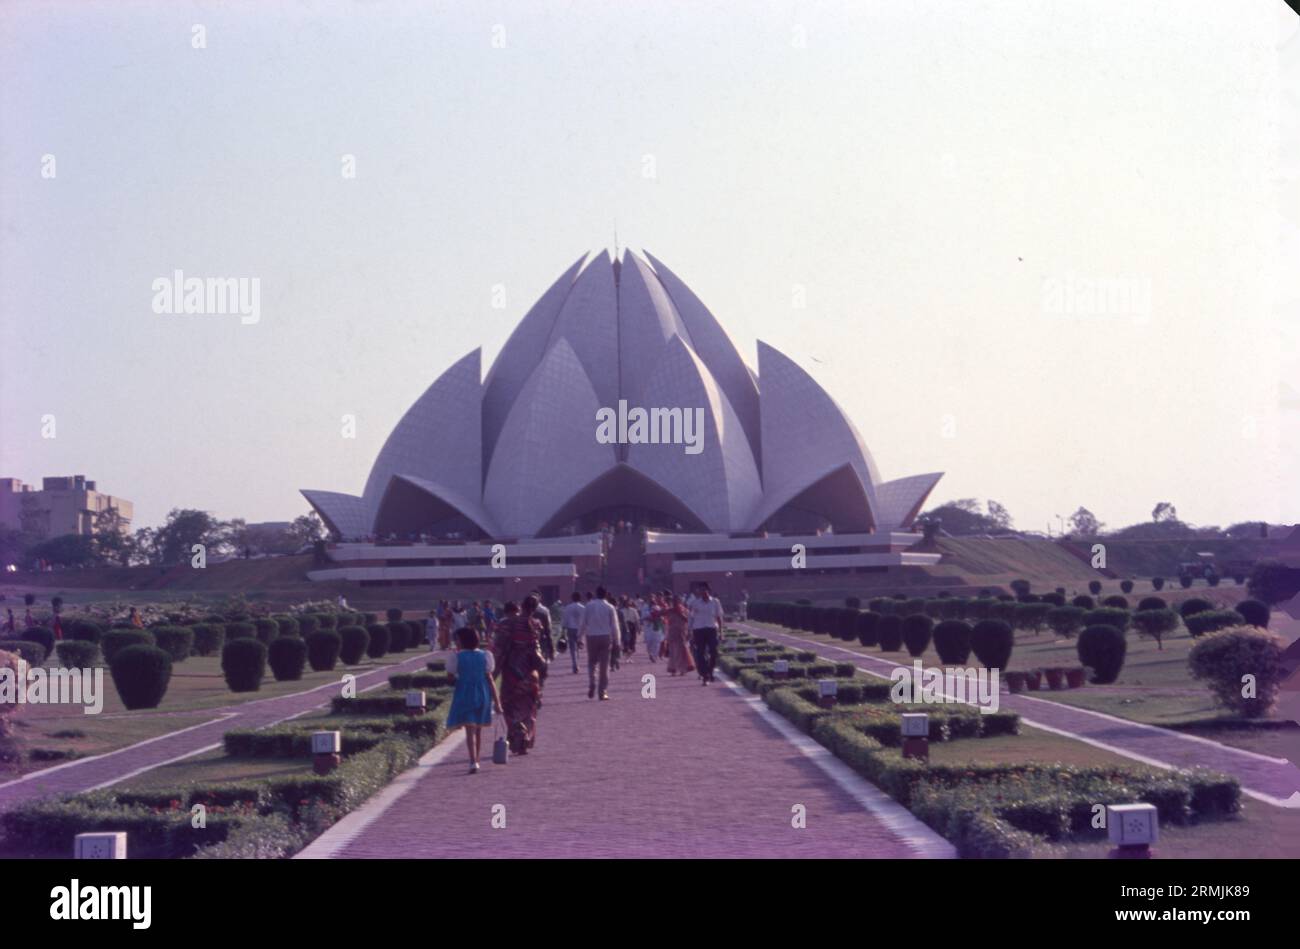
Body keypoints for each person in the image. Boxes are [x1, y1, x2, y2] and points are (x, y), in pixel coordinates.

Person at [492, 598, 548, 755]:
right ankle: (525, 737)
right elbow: (539, 652)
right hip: (532, 674)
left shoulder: (507, 624)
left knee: (509, 706)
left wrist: (493, 673)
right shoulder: (535, 624)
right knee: (529, 707)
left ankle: (517, 736)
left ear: (521, 607)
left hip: (512, 673)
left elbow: (499, 650)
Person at [445, 627, 503, 774]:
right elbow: (490, 680)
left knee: (469, 729)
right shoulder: (485, 655)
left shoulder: (457, 657)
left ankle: (473, 761)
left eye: (457, 639)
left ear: (462, 640)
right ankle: (475, 759)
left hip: (464, 694)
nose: (455, 642)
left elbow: (450, 677)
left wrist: (457, 676)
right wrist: (497, 702)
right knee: (477, 730)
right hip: (482, 694)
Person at [578, 586, 619, 700]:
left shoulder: (589, 606)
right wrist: (617, 641)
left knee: (592, 662)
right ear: (606, 595)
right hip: (605, 637)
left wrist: (579, 638)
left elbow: (583, 623)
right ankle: (603, 691)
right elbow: (615, 626)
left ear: (596, 594)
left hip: (591, 636)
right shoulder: (610, 607)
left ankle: (592, 681)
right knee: (604, 665)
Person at [688, 584, 724, 685]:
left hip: (711, 629)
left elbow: (719, 617)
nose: (702, 592)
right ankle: (705, 676)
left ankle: (710, 670)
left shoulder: (715, 602)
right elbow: (691, 618)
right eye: (701, 591)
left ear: (708, 591)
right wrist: (689, 631)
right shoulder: (695, 603)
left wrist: (721, 632)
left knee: (714, 652)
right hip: (698, 630)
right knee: (700, 653)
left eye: (704, 590)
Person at [662, 593, 695, 676]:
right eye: (674, 601)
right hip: (672, 633)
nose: (675, 603)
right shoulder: (670, 610)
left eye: (677, 601)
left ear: (680, 601)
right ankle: (673, 669)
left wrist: (679, 613)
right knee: (673, 652)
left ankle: (682, 669)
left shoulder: (684, 610)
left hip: (682, 633)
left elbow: (688, 620)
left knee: (681, 651)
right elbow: (663, 616)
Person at [560, 592, 585, 674]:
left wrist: (563, 629)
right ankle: (577, 661)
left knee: (572, 648)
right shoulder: (583, 608)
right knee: (578, 646)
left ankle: (575, 664)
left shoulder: (568, 607)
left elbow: (565, 619)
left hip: (571, 628)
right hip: (580, 629)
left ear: (572, 598)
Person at [530, 592, 555, 662]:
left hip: (533, 644)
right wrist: (551, 650)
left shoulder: (523, 616)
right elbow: (548, 631)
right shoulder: (543, 613)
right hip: (541, 642)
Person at [642, 595, 665, 664]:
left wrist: (658, 618)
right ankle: (650, 654)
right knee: (649, 642)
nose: (652, 601)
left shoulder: (658, 608)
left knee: (657, 643)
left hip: (656, 627)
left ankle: (654, 657)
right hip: (648, 628)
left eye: (653, 600)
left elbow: (662, 617)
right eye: (650, 600)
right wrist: (650, 618)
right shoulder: (645, 608)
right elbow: (643, 617)